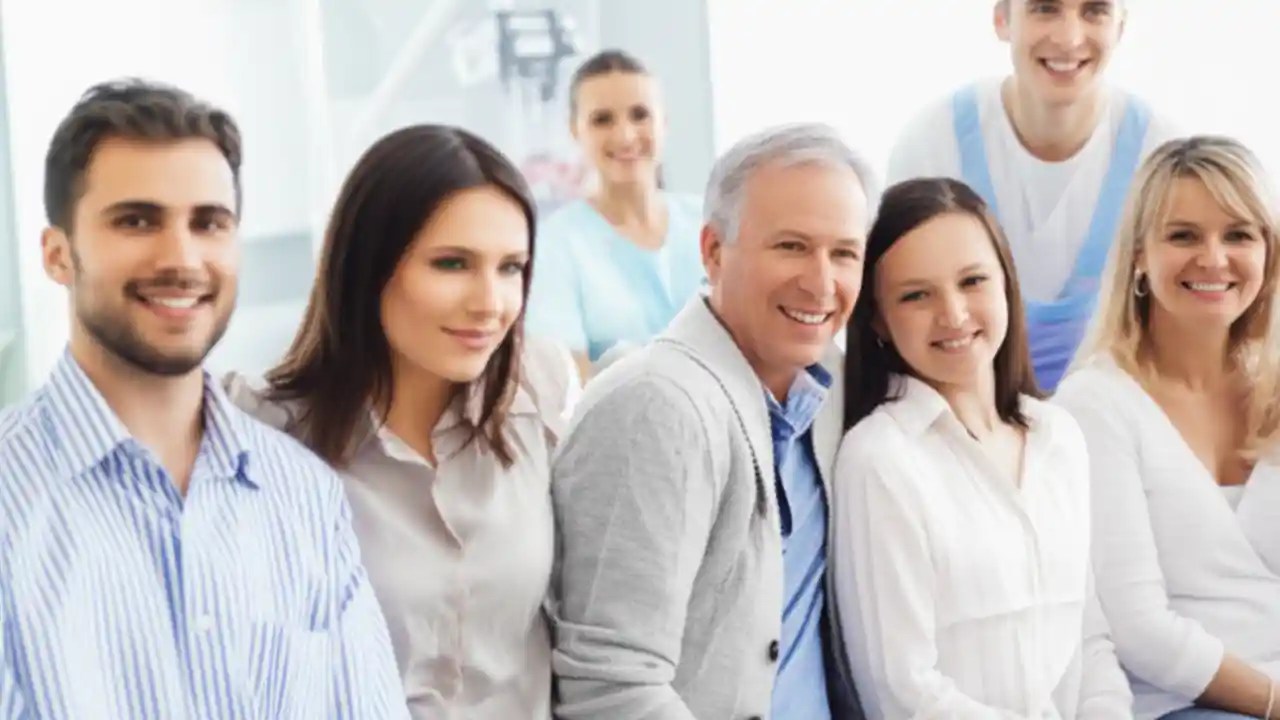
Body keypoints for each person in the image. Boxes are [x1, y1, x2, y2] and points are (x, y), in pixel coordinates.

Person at [0, 79, 405, 718]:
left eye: (209, 223)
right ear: (58, 256)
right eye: (137, 221)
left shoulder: (304, 496)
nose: (182, 258)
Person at [226, 125, 578, 720]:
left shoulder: (537, 389)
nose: (489, 302)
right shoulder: (261, 432)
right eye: (452, 263)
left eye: (511, 267)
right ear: (368, 267)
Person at [547, 123, 873, 720]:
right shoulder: (656, 408)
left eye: (844, 253)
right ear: (712, 250)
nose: (822, 282)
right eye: (791, 246)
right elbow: (612, 688)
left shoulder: (825, 389)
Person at [833, 177, 1132, 718]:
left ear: (1006, 286)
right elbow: (901, 690)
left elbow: (1090, 640)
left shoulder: (1059, 438)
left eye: (972, 281)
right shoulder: (880, 459)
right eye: (915, 295)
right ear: (877, 318)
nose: (953, 315)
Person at [1055, 136, 1280, 720]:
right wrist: (1271, 700)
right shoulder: (1094, 405)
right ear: (1137, 255)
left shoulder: (1276, 389)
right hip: (1183, 703)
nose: (1214, 258)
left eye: (1238, 235)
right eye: (1183, 235)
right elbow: (1139, 628)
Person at [886, 0, 1177, 391]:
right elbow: (896, 315)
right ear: (1002, 19)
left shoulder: (1161, 155)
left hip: (1114, 422)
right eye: (1045, 8)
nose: (1069, 38)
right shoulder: (934, 143)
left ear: (1120, 26)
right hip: (960, 424)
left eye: (1095, 11)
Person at [525, 49, 704, 379]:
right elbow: (567, 384)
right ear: (575, 130)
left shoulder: (709, 223)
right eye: (602, 119)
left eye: (640, 115)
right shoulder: (556, 245)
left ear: (664, 122)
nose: (624, 135)